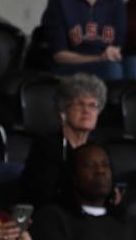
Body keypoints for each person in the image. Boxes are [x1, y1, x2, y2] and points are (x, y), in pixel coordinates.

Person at [19, 71, 107, 208]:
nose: (86, 111)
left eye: (93, 105)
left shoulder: (99, 150)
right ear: (63, 111)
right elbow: (43, 195)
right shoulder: (46, 147)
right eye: (79, 104)